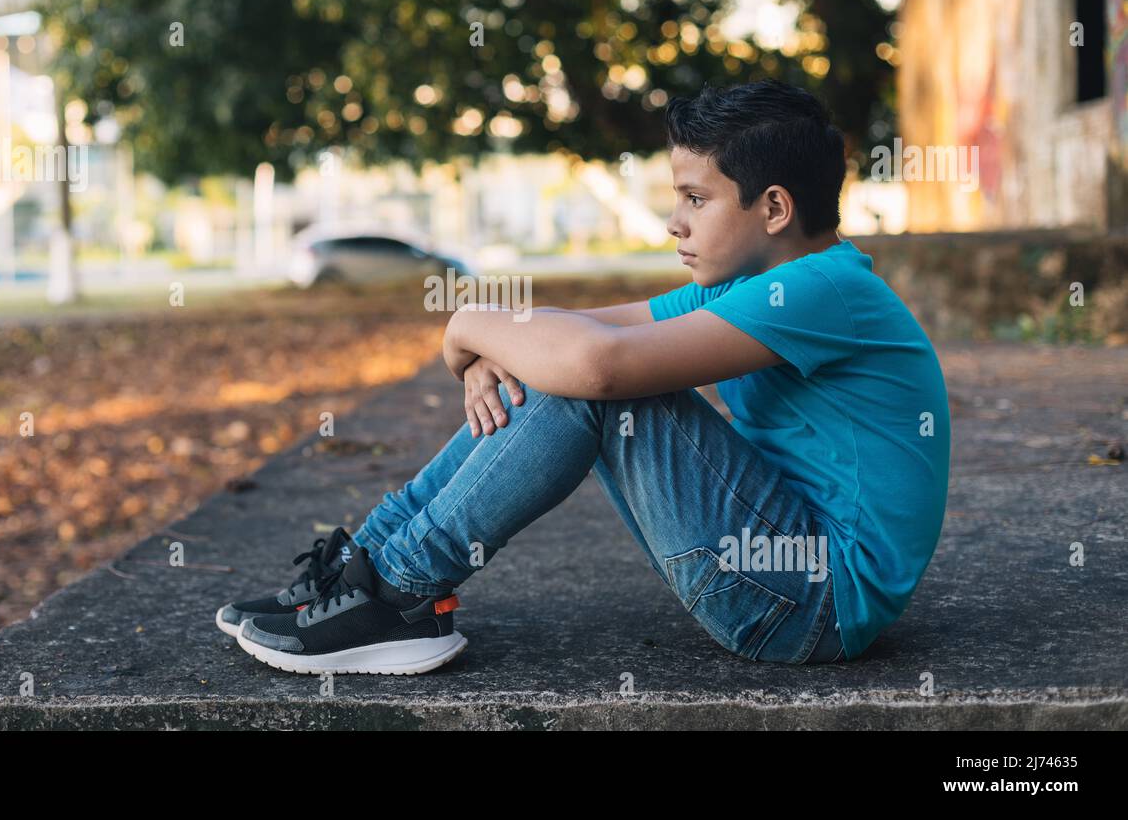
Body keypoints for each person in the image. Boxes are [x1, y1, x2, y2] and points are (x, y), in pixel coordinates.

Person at [217, 79, 952, 676]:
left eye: (696, 199)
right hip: (779, 574)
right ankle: (367, 568)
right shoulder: (747, 285)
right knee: (570, 361)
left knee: (598, 384)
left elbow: (597, 364)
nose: (675, 222)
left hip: (811, 602)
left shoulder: (821, 289)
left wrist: (470, 325)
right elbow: (579, 328)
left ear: (775, 209)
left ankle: (401, 591)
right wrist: (502, 340)